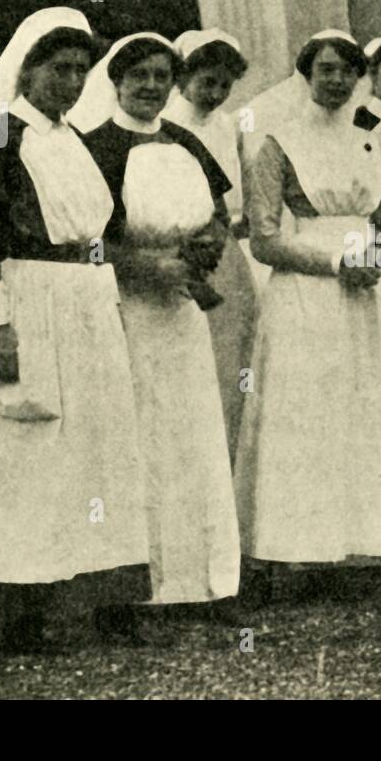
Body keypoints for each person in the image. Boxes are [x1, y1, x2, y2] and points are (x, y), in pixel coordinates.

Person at [0, 8, 151, 652]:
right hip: (29, 301)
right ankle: (13, 612)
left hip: (85, 305)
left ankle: (92, 598)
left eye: (83, 71)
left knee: (95, 449)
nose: (72, 82)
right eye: (60, 69)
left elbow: (96, 235)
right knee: (24, 455)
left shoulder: (71, 140)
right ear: (26, 69)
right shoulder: (0, 134)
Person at [73, 32, 241, 624]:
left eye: (160, 77)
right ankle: (131, 597)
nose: (149, 87)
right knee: (135, 442)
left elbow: (220, 214)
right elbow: (83, 242)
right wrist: (142, 267)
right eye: (138, 75)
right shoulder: (91, 147)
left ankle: (205, 582)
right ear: (116, 81)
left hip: (182, 315)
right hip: (125, 313)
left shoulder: (185, 140)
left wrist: (205, 247)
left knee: (192, 437)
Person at [233, 30, 381, 588]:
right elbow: (263, 239)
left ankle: (356, 548)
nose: (335, 80)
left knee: (356, 413)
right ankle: (293, 551)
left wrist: (375, 253)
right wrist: (336, 263)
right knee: (304, 418)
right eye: (325, 70)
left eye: (345, 72)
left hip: (361, 299)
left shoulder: (370, 143)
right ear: (307, 74)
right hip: (304, 298)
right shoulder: (278, 144)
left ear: (358, 78)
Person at [162, 28, 257, 466]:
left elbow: (238, 190)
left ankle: (225, 456)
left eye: (224, 85)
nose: (216, 93)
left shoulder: (228, 125)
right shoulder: (167, 123)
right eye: (206, 82)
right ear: (182, 79)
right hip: (179, 251)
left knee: (230, 356)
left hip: (225, 250)